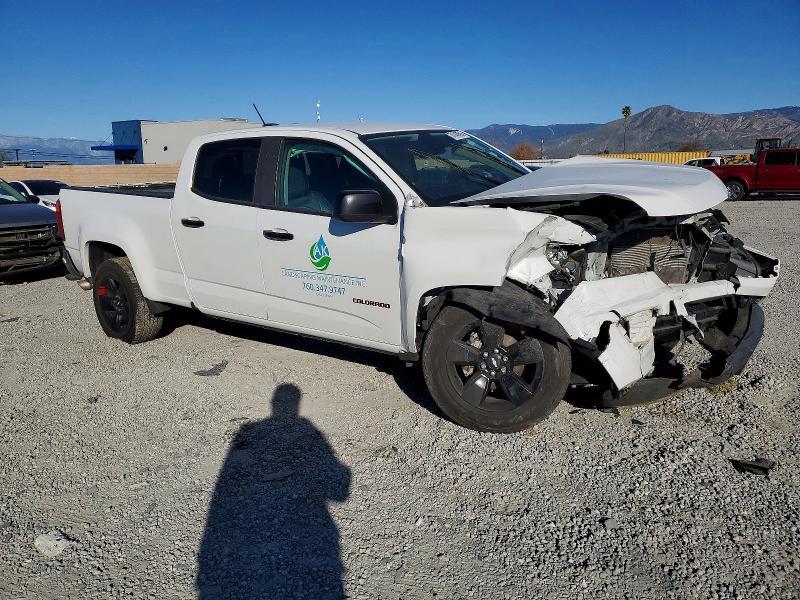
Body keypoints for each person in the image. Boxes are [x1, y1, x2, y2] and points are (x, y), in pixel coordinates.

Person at [197, 383, 351, 599]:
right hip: (312, 540)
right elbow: (340, 493)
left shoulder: (250, 430)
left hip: (246, 548)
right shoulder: (307, 427)